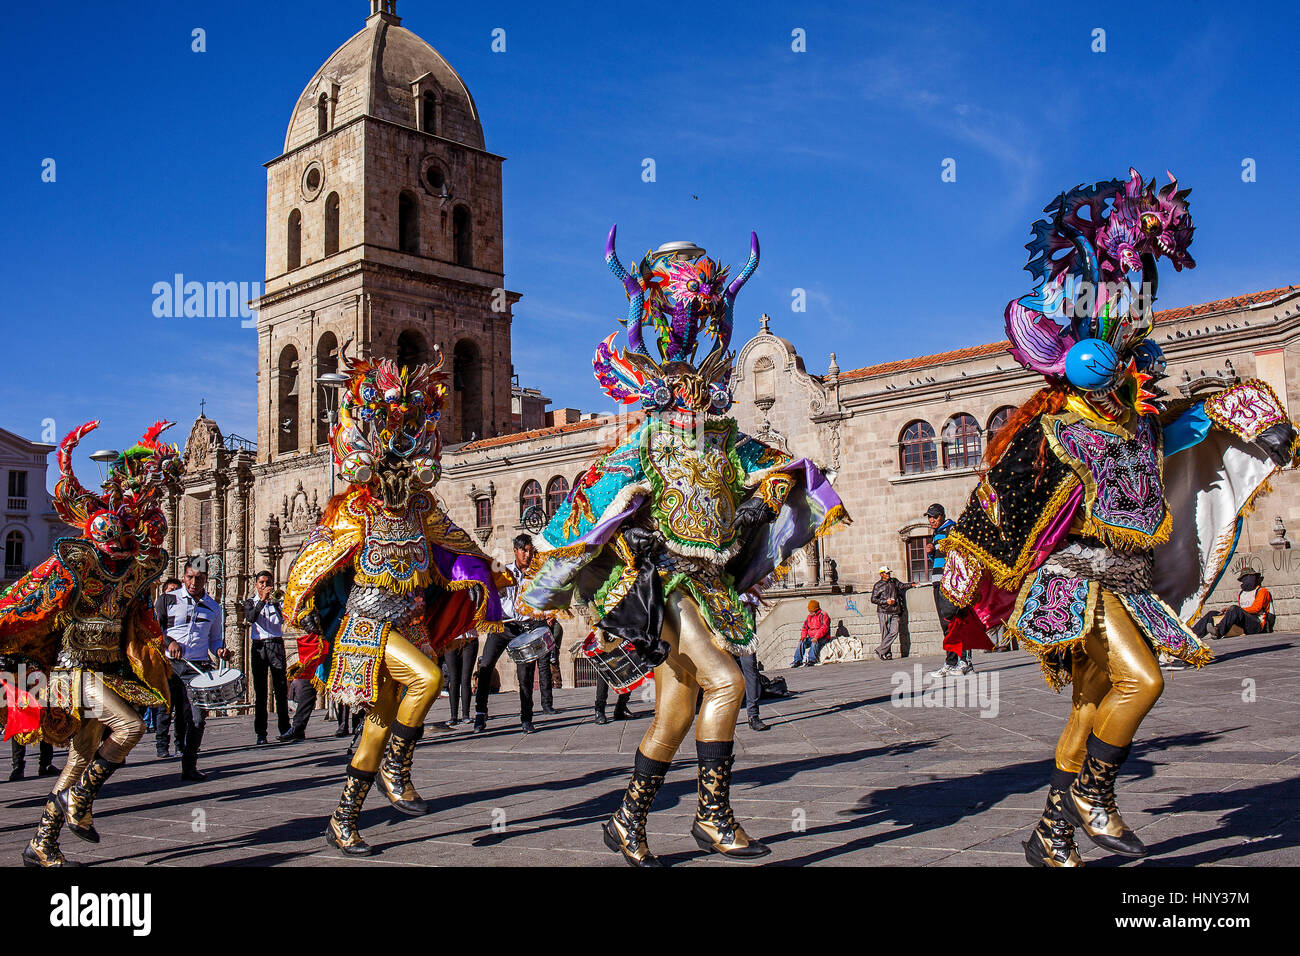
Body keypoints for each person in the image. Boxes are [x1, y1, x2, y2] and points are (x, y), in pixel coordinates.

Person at [936, 169, 1298, 867]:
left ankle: (1050, 831)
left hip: (1127, 581)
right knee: (1144, 682)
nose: (1134, 370)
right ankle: (1094, 795)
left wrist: (1253, 418)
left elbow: (1189, 428)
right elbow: (998, 506)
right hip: (1079, 581)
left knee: (1088, 706)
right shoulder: (1056, 428)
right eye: (1119, 359)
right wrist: (960, 583)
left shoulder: (1136, 424)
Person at [520, 228, 849, 865]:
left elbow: (784, 467)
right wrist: (549, 563)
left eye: (700, 402)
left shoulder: (725, 442)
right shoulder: (645, 441)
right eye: (678, 401)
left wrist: (766, 496)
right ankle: (712, 814)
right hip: (666, 581)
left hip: (714, 580)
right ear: (659, 395)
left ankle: (626, 820)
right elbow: (590, 498)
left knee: (676, 712)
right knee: (726, 683)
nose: (691, 412)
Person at [283, 349, 503, 856]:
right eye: (394, 445)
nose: (403, 461)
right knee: (429, 679)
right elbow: (318, 559)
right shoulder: (355, 509)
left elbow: (453, 550)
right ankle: (398, 766)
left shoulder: (422, 508)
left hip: (409, 620)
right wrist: (307, 605)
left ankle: (343, 818)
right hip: (368, 622)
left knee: (378, 725)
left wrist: (479, 575)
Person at [0, 420, 177, 866]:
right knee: (132, 728)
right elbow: (23, 601)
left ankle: (42, 843)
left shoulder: (134, 574)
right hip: (66, 674)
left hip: (104, 671)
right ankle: (79, 801)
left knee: (79, 761)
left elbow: (141, 616)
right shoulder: (73, 566)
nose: (119, 548)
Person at [156, 557, 230, 782]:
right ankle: (161, 746)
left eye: (198, 578)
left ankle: (189, 765)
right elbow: (154, 630)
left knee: (197, 719)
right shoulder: (168, 599)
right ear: (183, 576)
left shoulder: (213, 608)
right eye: (189, 577)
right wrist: (169, 642)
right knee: (164, 709)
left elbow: (214, 639)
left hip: (195, 667)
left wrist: (220, 651)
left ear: (206, 579)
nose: (193, 582)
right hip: (169, 664)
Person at [472, 535, 548, 734]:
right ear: (516, 550)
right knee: (486, 665)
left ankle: (526, 717)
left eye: (531, 551)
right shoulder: (503, 572)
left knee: (526, 674)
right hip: (502, 627)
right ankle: (480, 713)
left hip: (523, 628)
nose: (528, 555)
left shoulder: (536, 575)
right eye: (524, 551)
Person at [243, 570, 290, 744]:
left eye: (267, 582)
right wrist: (262, 601)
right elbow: (250, 618)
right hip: (259, 646)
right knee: (260, 691)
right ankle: (261, 733)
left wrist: (275, 603)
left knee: (281, 688)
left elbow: (284, 619)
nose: (264, 586)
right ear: (256, 585)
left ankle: (285, 728)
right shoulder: (250, 602)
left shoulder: (278, 601)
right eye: (261, 582)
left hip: (276, 643)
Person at [924, 504, 971, 676]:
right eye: (929, 517)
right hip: (937, 582)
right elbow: (938, 559)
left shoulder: (952, 529)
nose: (932, 520)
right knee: (946, 624)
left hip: (949, 582)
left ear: (942, 516)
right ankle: (951, 662)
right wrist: (930, 553)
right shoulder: (936, 534)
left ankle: (964, 661)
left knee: (956, 621)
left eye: (935, 517)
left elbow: (959, 553)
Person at [1190, 571, 1274, 639]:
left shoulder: (1262, 591)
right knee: (1212, 614)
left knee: (1235, 609)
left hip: (1257, 624)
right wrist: (1229, 612)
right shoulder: (1242, 593)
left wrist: (1236, 610)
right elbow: (1241, 611)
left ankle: (1218, 631)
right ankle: (1193, 634)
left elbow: (1256, 608)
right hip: (1243, 622)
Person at [281, 631, 330, 742]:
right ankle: (297, 727)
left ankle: (348, 725)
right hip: (317, 643)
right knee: (306, 684)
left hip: (338, 634)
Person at [870, 567, 912, 661]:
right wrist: (885, 601)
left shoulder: (894, 581)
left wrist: (912, 584)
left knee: (894, 632)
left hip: (895, 611)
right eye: (886, 573)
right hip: (883, 611)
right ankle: (887, 654)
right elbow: (873, 599)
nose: (888, 575)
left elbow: (902, 586)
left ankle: (880, 650)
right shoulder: (878, 585)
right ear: (881, 574)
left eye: (889, 573)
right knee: (885, 634)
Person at [444, 629, 479, 725]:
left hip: (470, 638)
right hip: (451, 638)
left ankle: (465, 715)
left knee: (466, 678)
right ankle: (453, 716)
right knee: (454, 679)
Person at [791, 600, 830, 667]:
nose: (810, 613)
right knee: (802, 642)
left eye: (811, 611)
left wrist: (816, 637)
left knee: (814, 642)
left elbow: (824, 628)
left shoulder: (823, 615)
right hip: (812, 637)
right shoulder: (809, 617)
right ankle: (797, 660)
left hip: (822, 637)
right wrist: (803, 636)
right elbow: (805, 628)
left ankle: (812, 660)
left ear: (815, 610)